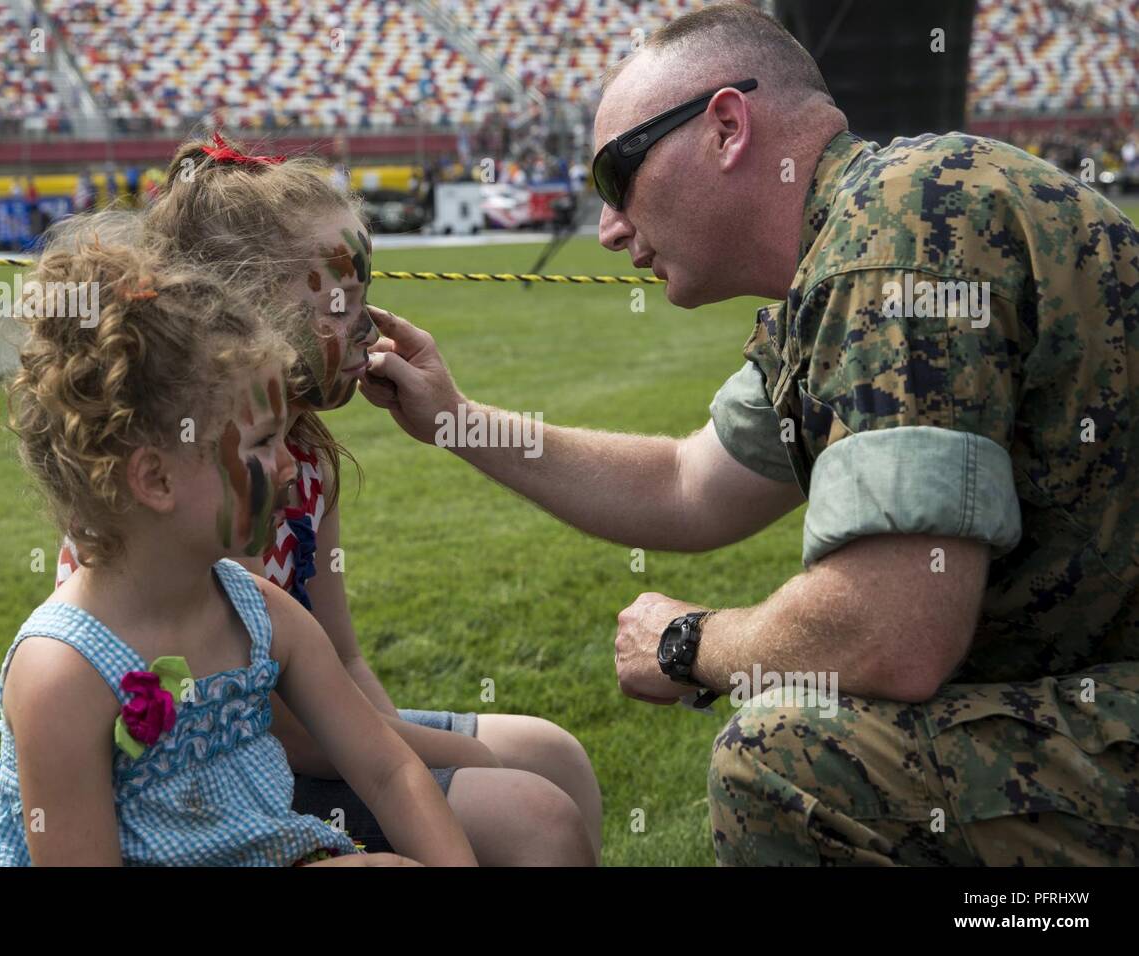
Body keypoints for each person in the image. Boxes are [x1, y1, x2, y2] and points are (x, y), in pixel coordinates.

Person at [359, 3, 1139, 866]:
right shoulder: (862, 243)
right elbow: (687, 486)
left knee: (784, 760)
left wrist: (689, 643)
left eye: (616, 177)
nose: (612, 228)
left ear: (727, 127)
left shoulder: (896, 236)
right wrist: (457, 421)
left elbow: (895, 629)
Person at [55, 134, 601, 865]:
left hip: (318, 729)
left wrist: (403, 750)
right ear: (241, 310)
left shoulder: (296, 460)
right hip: (220, 778)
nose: (369, 325)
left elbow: (340, 660)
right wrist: (455, 761)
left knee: (553, 754)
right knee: (535, 812)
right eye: (343, 299)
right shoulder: (212, 488)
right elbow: (283, 731)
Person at [0, 214, 475, 866]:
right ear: (155, 478)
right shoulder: (65, 673)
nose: (287, 465)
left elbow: (390, 772)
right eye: (261, 443)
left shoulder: (255, 611)